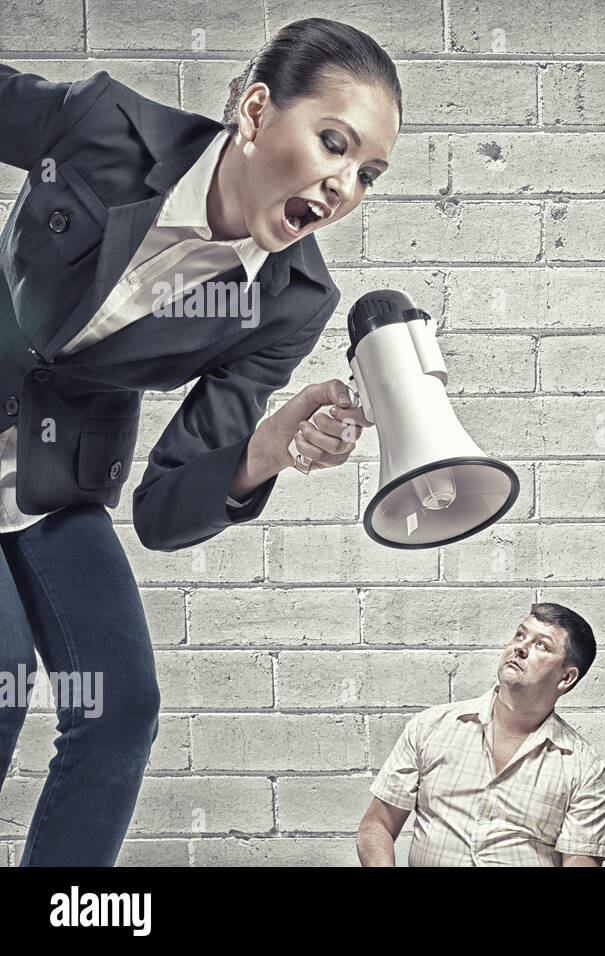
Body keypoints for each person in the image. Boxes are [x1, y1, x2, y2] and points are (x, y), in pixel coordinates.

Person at [0, 17, 400, 866]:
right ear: (256, 112)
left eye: (367, 174)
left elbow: (162, 511)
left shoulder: (292, 301)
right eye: (333, 144)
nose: (343, 187)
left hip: (46, 478)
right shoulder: (102, 126)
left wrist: (269, 449)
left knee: (122, 706)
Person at [357, 603, 605, 867]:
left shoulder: (584, 769)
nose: (520, 648)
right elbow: (377, 824)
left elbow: (580, 862)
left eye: (541, 645)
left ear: (566, 678)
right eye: (520, 634)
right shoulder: (430, 726)